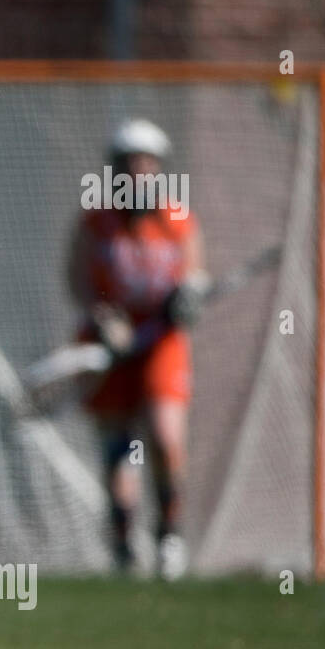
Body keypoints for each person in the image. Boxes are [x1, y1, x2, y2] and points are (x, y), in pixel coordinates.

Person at [67, 118, 209, 580]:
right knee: (118, 451)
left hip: (161, 345)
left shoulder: (178, 222)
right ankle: (124, 546)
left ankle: (169, 535)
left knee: (166, 439)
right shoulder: (96, 224)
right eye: (129, 164)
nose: (137, 174)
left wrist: (188, 296)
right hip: (111, 348)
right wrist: (105, 319)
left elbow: (195, 275)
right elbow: (79, 279)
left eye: (146, 164)